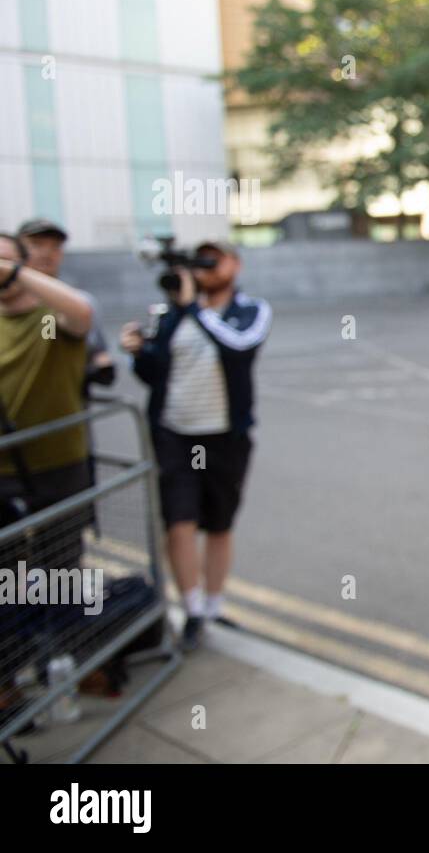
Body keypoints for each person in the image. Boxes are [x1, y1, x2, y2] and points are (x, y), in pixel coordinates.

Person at [119, 240, 270, 652]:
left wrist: (193, 310)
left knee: (219, 524)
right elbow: (155, 373)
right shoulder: (172, 314)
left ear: (235, 264)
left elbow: (237, 349)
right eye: (199, 262)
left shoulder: (249, 311)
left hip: (225, 437)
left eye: (213, 260)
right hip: (175, 435)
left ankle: (215, 602)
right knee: (179, 521)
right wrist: (137, 352)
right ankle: (192, 608)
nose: (205, 269)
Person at [0, 232, 95, 719]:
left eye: (4, 257)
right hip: (4, 476)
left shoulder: (50, 320)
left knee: (60, 573)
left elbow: (82, 312)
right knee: (10, 580)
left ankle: (64, 668)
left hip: (59, 468)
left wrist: (17, 274)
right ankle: (14, 677)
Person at [17, 219, 115, 393]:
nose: (47, 253)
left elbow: (97, 350)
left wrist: (99, 365)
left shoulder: (77, 302)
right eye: (37, 245)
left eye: (55, 247)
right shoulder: (11, 300)